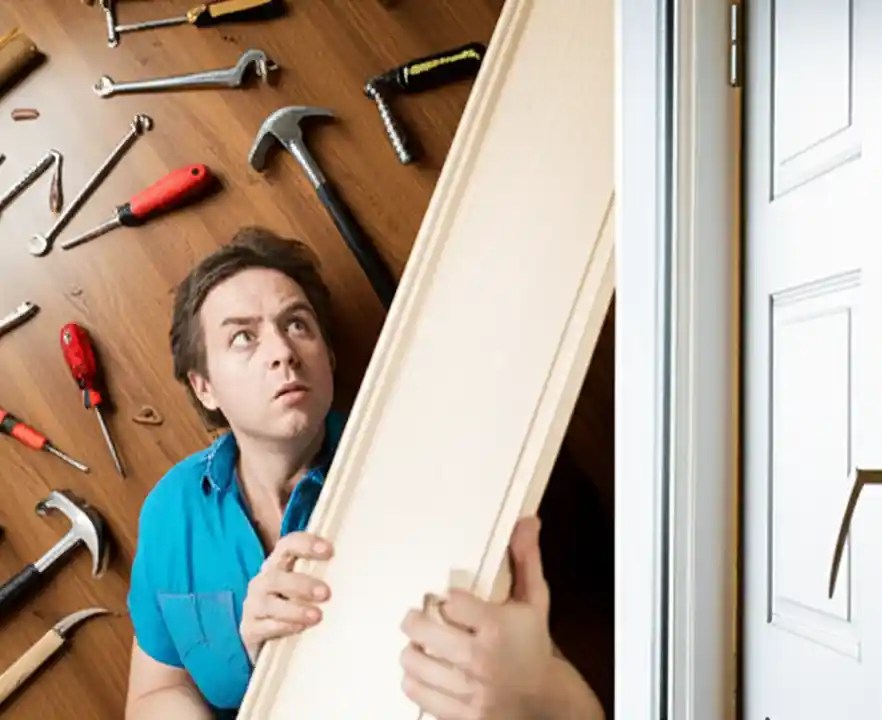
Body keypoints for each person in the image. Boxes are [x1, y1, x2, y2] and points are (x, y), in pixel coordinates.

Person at [124, 227, 606, 720]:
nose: (282, 352)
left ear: (328, 358)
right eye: (243, 337)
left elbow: (574, 705)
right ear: (204, 387)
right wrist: (253, 662)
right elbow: (153, 692)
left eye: (297, 325)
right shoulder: (170, 511)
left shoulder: (428, 475)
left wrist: (531, 697)